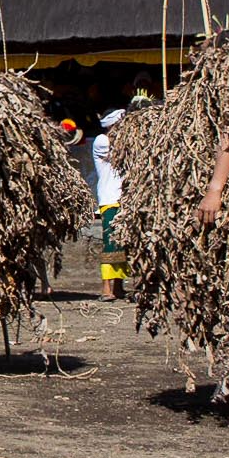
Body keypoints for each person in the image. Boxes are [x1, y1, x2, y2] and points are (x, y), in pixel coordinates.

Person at [91, 84, 150, 301]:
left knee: (123, 244)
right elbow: (122, 152)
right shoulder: (102, 141)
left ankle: (118, 287)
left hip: (124, 199)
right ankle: (106, 288)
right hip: (110, 199)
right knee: (111, 243)